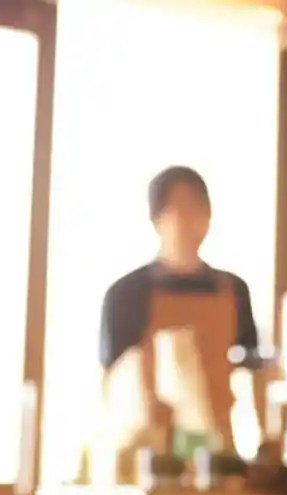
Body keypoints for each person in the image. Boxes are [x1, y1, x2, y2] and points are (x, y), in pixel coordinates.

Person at [99, 166, 264, 459]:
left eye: (198, 208)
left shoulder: (234, 289)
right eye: (180, 209)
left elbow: (255, 371)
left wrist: (265, 439)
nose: (190, 220)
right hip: (151, 455)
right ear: (157, 218)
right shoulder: (126, 293)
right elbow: (111, 382)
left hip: (219, 451)